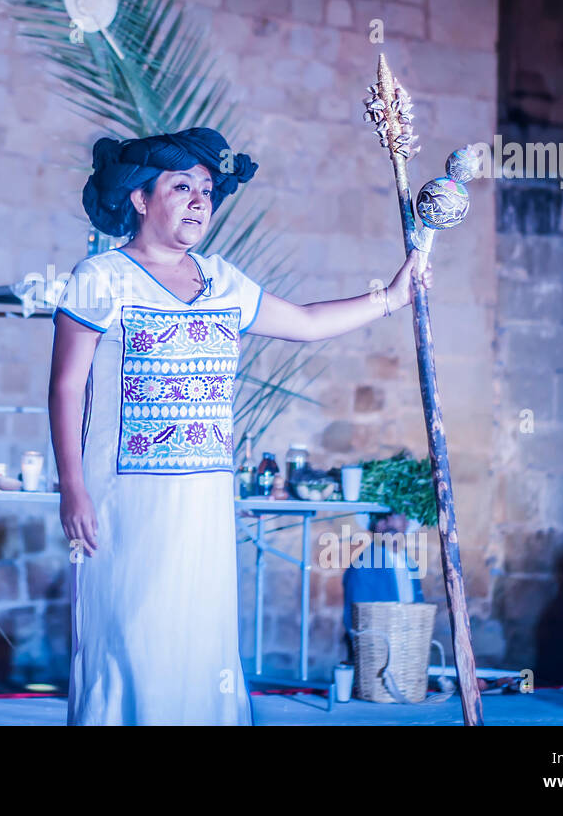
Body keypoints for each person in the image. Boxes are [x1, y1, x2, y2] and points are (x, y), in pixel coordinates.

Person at [49, 127, 432, 726]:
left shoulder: (222, 281)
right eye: (182, 187)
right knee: (132, 630)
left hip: (203, 497)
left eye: (206, 188)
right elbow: (67, 387)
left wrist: (390, 297)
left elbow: (305, 321)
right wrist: (72, 486)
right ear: (140, 200)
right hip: (124, 497)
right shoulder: (100, 279)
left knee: (197, 634)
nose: (200, 200)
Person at [342, 511, 425, 662]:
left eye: (395, 515)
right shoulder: (363, 566)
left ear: (407, 522)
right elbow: (358, 621)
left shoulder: (410, 564)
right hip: (378, 656)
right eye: (380, 516)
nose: (389, 522)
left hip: (407, 655)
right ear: (372, 525)